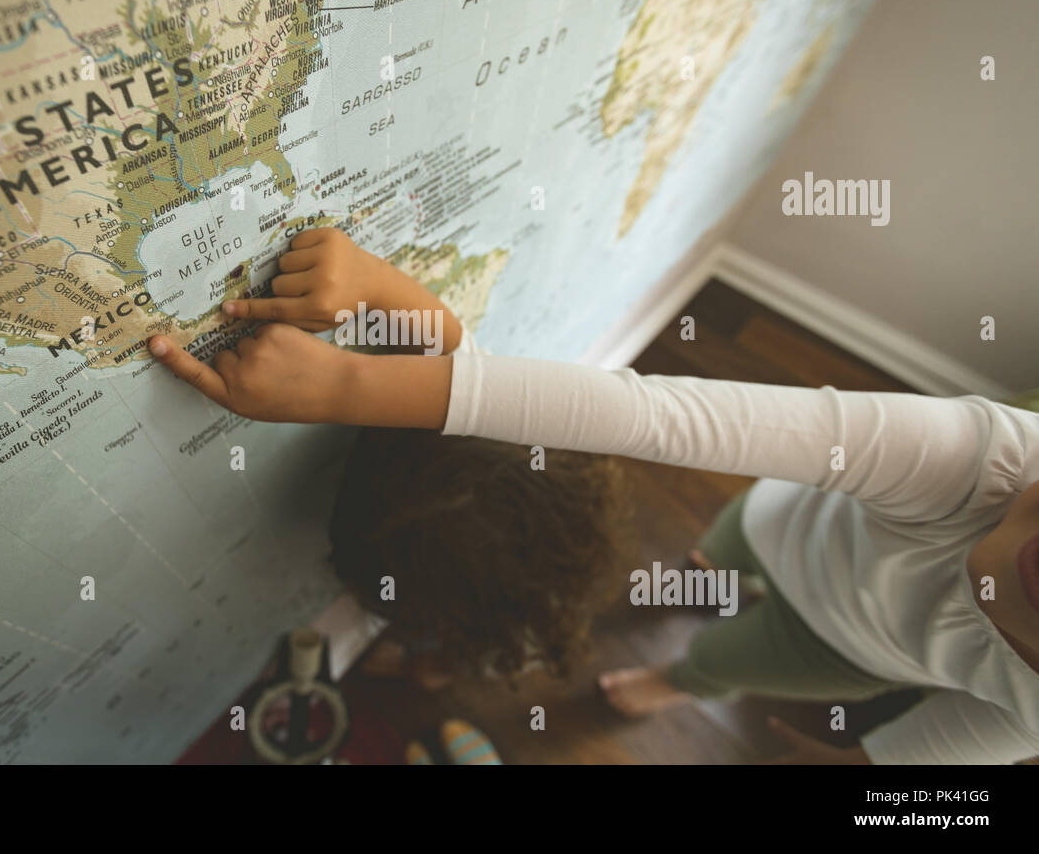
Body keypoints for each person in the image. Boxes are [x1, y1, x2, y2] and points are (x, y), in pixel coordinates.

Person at [147, 229, 1039, 764]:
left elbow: (941, 782)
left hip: (846, 656)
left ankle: (664, 681)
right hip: (782, 522)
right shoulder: (990, 457)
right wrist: (372, 301)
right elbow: (482, 376)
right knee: (730, 545)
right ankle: (711, 573)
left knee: (723, 666)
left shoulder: (476, 611)